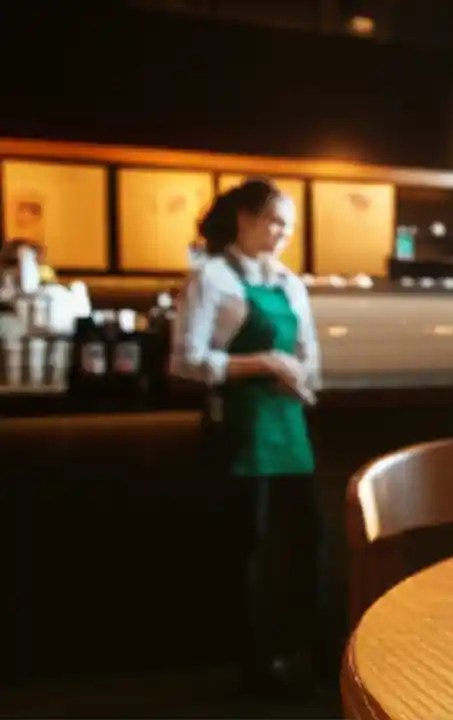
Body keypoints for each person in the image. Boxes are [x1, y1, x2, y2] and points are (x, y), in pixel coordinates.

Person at [171, 178, 324, 696]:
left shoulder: (289, 283)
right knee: (249, 550)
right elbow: (186, 362)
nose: (282, 233)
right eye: (274, 221)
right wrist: (260, 362)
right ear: (243, 218)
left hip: (290, 427)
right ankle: (256, 667)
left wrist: (303, 376)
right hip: (241, 428)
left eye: (287, 225)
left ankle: (313, 656)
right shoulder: (210, 278)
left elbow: (309, 354)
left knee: (307, 542)